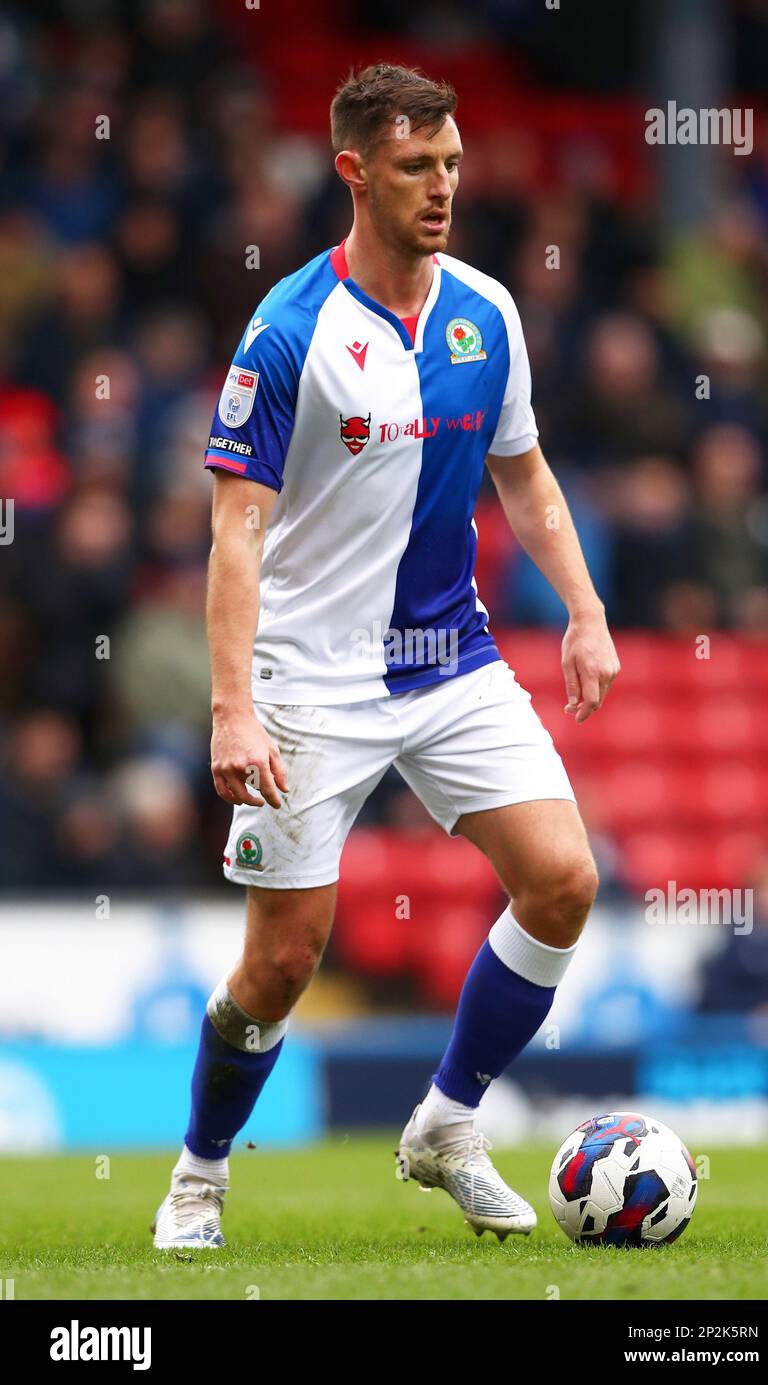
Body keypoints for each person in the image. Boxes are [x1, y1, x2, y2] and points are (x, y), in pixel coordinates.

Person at [152, 63, 619, 1249]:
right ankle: (199, 1175)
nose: (442, 187)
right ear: (352, 172)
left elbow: (522, 471)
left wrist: (581, 608)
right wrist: (229, 707)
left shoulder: (486, 311)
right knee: (281, 959)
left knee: (562, 879)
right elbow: (233, 537)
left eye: (452, 164)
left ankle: (447, 1121)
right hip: (309, 675)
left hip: (450, 656)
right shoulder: (288, 332)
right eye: (416, 167)